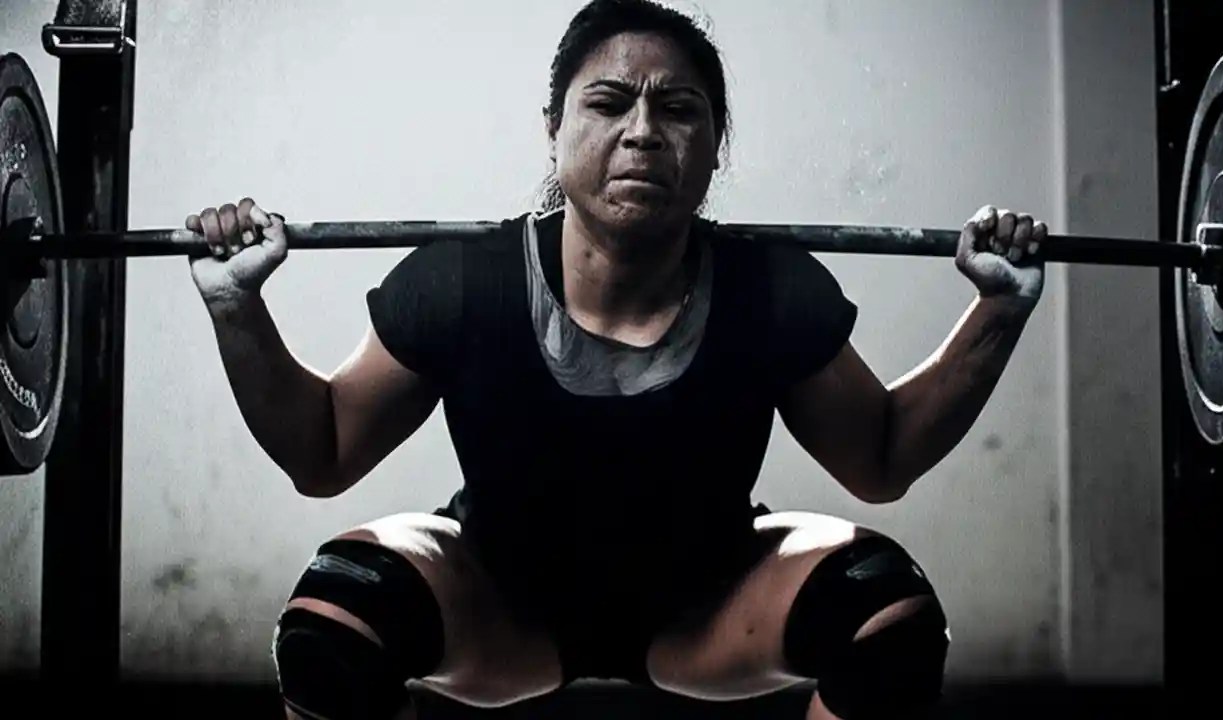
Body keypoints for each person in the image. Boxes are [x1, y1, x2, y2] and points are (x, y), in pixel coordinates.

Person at [185, 1, 1047, 718]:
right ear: (555, 129)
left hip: (712, 609)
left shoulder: (770, 290)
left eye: (677, 110)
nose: (642, 132)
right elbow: (324, 452)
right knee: (336, 612)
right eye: (608, 104)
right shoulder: (461, 283)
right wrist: (238, 308)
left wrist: (998, 309)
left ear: (715, 144)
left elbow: (880, 457)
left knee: (885, 612)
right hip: (500, 606)